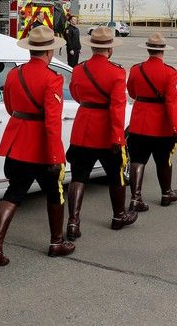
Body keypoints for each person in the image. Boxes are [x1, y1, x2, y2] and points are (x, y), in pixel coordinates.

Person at [0, 24, 74, 266]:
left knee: (13, 193)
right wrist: (57, 156)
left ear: (31, 50)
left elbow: (10, 108)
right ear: (49, 52)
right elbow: (52, 122)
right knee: (55, 192)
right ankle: (56, 242)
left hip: (17, 143)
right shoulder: (52, 78)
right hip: (42, 148)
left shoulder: (14, 74)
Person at [65, 27, 137, 240]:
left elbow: (77, 95)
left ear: (92, 47)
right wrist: (117, 138)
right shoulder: (116, 72)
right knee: (115, 176)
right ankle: (118, 216)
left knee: (78, 177)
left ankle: (73, 222)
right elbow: (117, 108)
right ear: (110, 49)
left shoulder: (78, 69)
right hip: (106, 132)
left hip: (84, 128)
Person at [126, 33, 177, 211]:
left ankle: (135, 198)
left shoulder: (136, 69)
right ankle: (166, 194)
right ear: (163, 51)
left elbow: (132, 93)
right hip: (161, 126)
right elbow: (171, 103)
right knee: (163, 160)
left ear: (148, 49)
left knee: (137, 160)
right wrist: (175, 128)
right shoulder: (170, 72)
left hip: (140, 122)